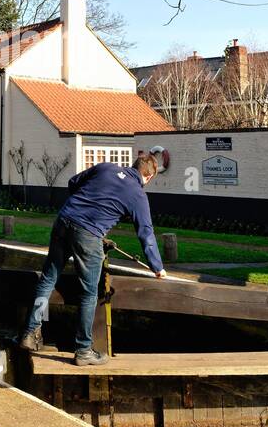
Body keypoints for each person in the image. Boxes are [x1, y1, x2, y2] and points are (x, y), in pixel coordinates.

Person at [18, 154, 166, 366]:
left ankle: (30, 333)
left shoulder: (106, 168)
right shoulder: (138, 195)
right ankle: (83, 349)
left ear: (132, 165)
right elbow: (146, 233)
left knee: (48, 279)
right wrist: (157, 267)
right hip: (88, 234)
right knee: (88, 293)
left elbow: (73, 182)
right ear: (149, 177)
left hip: (64, 220)